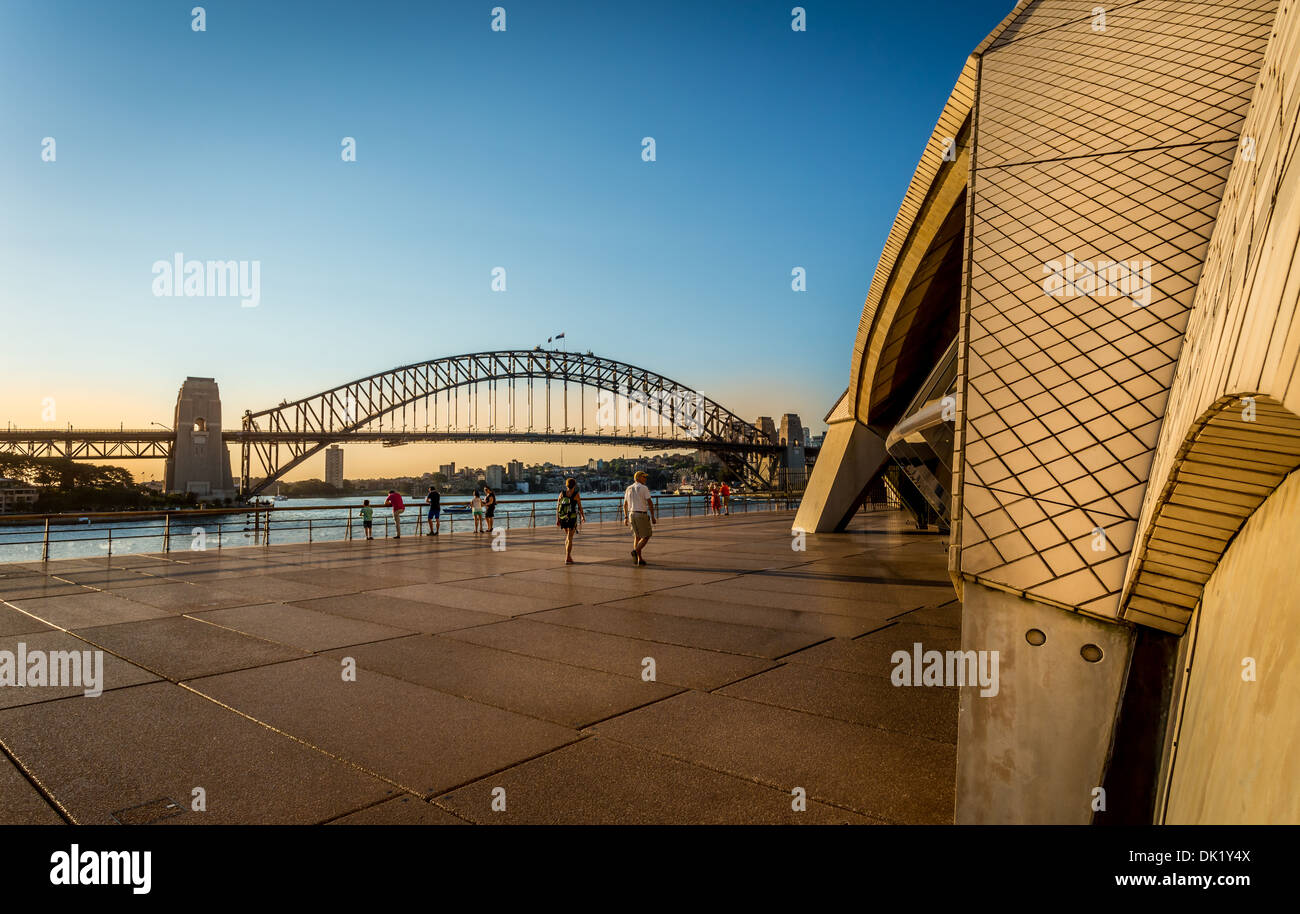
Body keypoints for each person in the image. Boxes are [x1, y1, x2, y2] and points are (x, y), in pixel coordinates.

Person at [623, 470, 656, 565]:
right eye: (644, 477)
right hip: (641, 514)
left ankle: (639, 559)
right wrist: (653, 516)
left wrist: (625, 517)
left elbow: (625, 504)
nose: (645, 479)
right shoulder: (644, 488)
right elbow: (649, 502)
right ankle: (635, 551)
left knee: (637, 536)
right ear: (638, 478)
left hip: (631, 514)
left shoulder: (628, 488)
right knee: (647, 535)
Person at [555, 477, 585, 564]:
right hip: (572, 517)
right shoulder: (576, 494)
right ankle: (567, 557)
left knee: (567, 537)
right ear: (574, 485)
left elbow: (557, 507)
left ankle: (568, 556)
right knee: (570, 537)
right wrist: (583, 516)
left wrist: (557, 519)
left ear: (566, 485)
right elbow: (580, 507)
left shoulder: (562, 494)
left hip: (563, 517)